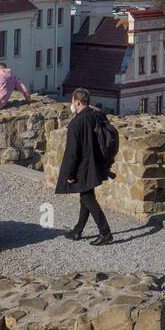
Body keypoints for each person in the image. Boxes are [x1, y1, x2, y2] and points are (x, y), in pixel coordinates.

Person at [56, 88, 115, 246]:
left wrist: (69, 173)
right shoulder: (98, 115)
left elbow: (72, 152)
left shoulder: (76, 123)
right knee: (86, 196)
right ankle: (77, 231)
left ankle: (105, 232)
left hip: (84, 166)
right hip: (97, 162)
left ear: (78, 102)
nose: (71, 104)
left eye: (73, 101)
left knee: (87, 198)